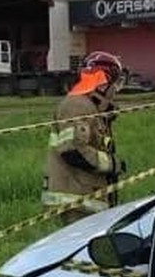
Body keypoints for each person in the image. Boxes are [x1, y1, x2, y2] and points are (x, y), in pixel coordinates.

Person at [42, 50, 126, 225]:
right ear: (103, 83)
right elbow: (74, 151)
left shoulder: (93, 108)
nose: (116, 90)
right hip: (76, 198)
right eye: (116, 83)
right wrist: (113, 164)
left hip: (86, 195)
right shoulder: (77, 106)